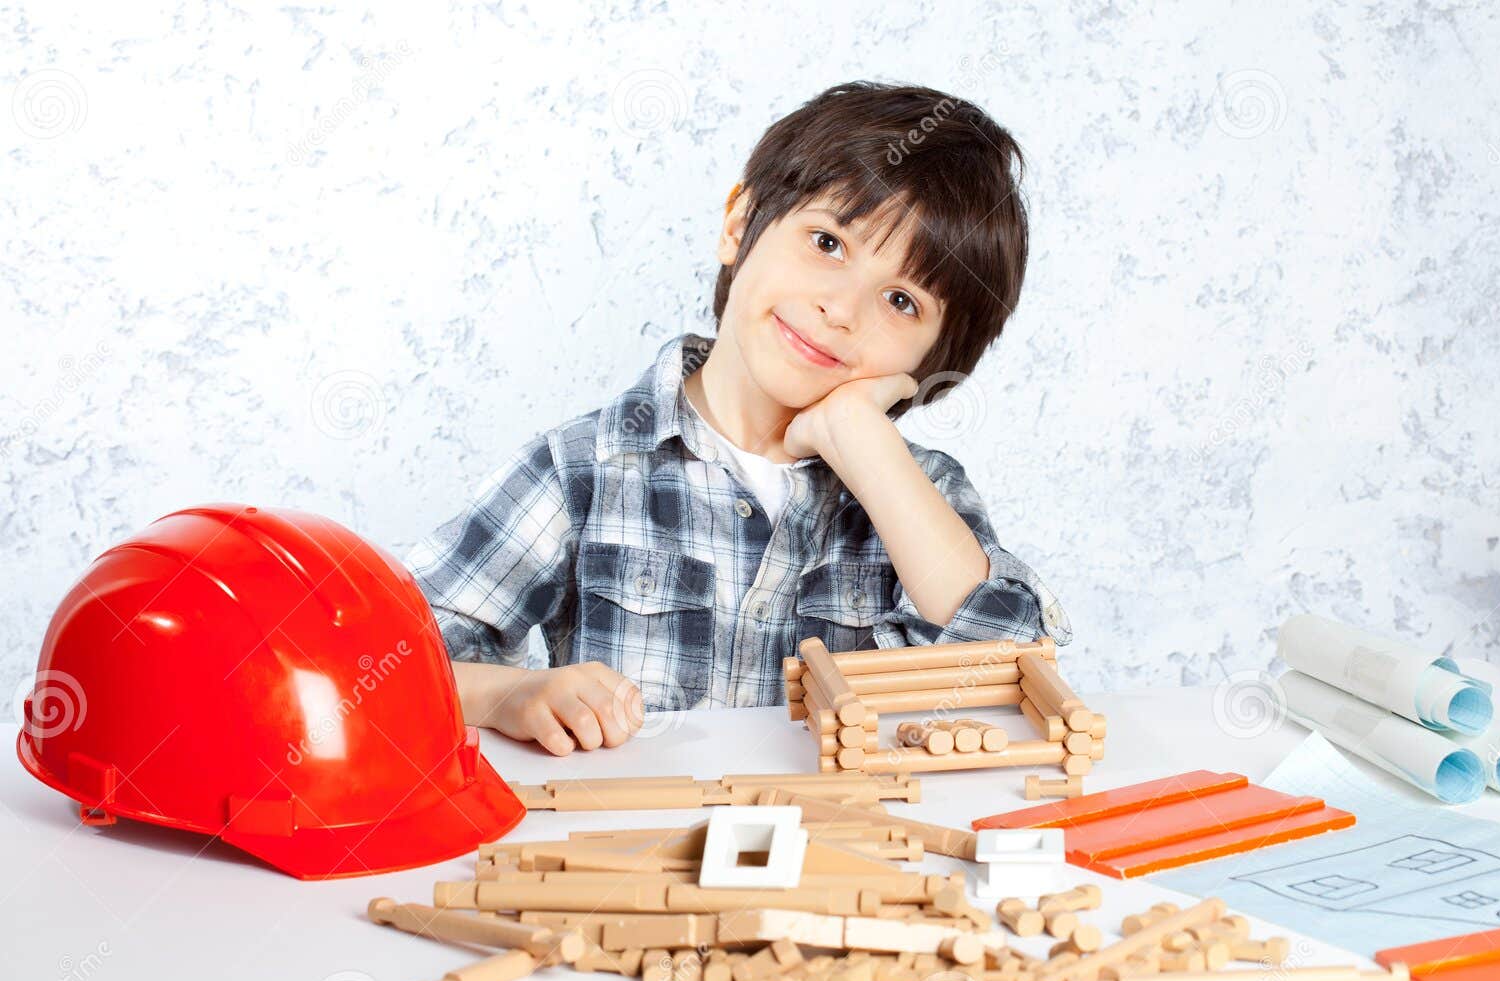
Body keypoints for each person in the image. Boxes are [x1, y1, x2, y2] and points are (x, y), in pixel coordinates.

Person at [405, 81, 1070, 755]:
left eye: (901, 300)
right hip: (641, 846)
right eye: (828, 242)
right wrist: (508, 694)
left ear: (933, 357)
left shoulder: (919, 494)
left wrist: (865, 444)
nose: (842, 309)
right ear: (739, 224)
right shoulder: (586, 467)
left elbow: (1011, 678)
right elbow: (385, 664)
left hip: (842, 852)